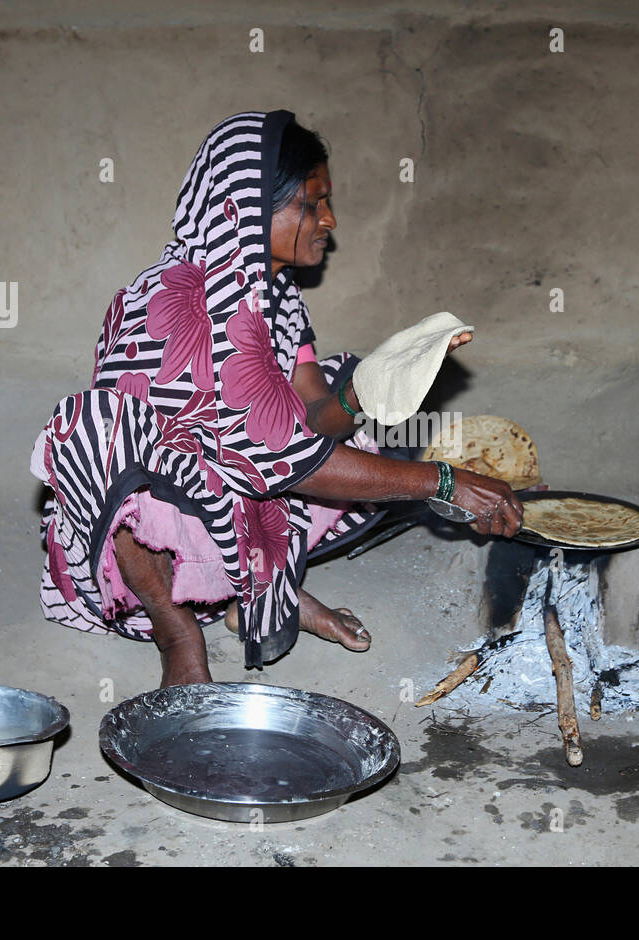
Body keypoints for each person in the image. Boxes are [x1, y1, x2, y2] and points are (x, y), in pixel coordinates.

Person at [30, 109, 522, 687]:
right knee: (107, 436)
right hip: (139, 528)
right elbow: (274, 454)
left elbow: (315, 415)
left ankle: (258, 595)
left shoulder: (278, 298)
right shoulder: (181, 292)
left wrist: (374, 384)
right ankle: (176, 629)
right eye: (311, 203)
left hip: (229, 485)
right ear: (247, 205)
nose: (329, 220)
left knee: (340, 410)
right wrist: (444, 482)